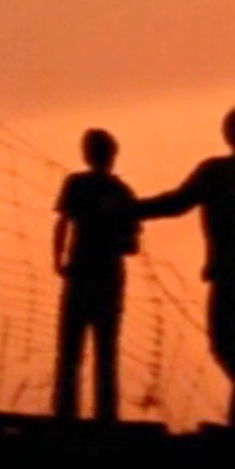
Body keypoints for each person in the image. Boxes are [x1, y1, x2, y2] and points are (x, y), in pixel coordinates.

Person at [137, 105, 235, 432]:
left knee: (224, 347)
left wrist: (134, 210)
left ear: (228, 135)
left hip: (232, 278)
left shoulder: (215, 172)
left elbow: (177, 203)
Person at [52, 127, 139, 422]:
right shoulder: (122, 192)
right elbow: (132, 244)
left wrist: (58, 260)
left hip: (79, 273)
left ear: (86, 154)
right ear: (112, 156)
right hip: (108, 277)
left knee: (69, 350)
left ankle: (65, 413)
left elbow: (62, 223)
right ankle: (106, 416)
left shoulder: (75, 185)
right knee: (106, 351)